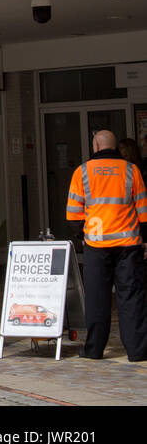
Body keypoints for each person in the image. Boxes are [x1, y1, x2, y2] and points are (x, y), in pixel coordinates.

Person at [68, 129, 147, 361]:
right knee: (131, 297)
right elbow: (143, 211)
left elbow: (73, 213)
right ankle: (137, 350)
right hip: (128, 244)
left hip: (96, 244)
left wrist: (81, 234)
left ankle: (93, 350)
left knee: (96, 298)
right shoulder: (132, 170)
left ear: (96, 146)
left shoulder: (82, 172)